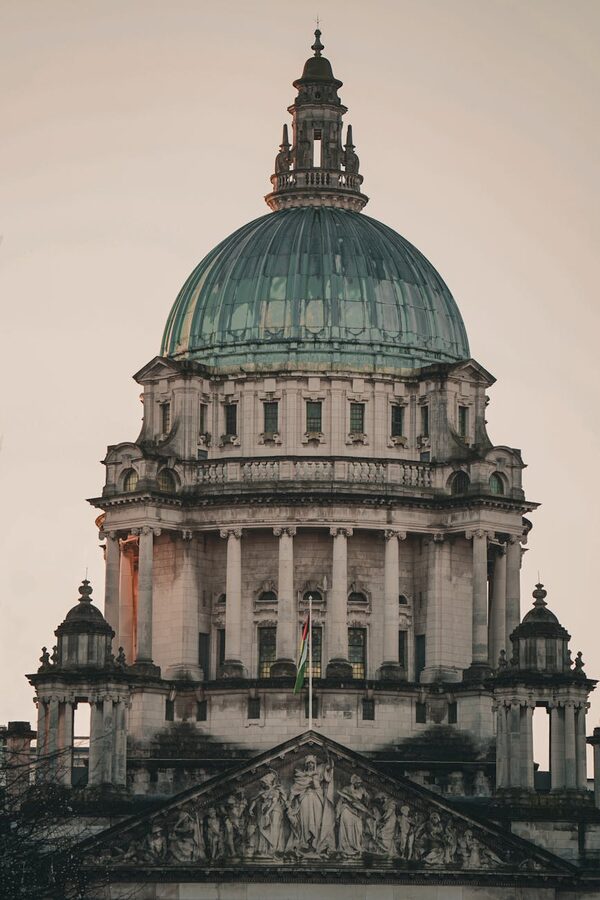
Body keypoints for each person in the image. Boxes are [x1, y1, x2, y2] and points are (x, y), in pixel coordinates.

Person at [286, 754, 335, 855]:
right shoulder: (301, 776)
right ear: (306, 764)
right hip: (304, 798)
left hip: (317, 798)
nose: (310, 765)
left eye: (312, 763)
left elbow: (328, 777)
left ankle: (316, 841)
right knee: (305, 819)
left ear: (315, 764)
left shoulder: (318, 774)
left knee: (317, 819)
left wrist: (328, 767)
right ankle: (304, 841)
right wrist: (289, 802)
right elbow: (294, 789)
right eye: (308, 763)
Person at [336, 774, 371, 857]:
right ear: (353, 782)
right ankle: (346, 847)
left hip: (356, 812)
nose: (359, 784)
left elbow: (365, 802)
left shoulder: (362, 790)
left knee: (359, 828)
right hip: (346, 809)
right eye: (357, 783)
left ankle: (356, 846)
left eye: (360, 783)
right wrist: (337, 814)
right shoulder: (346, 789)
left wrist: (367, 797)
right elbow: (341, 801)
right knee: (348, 827)